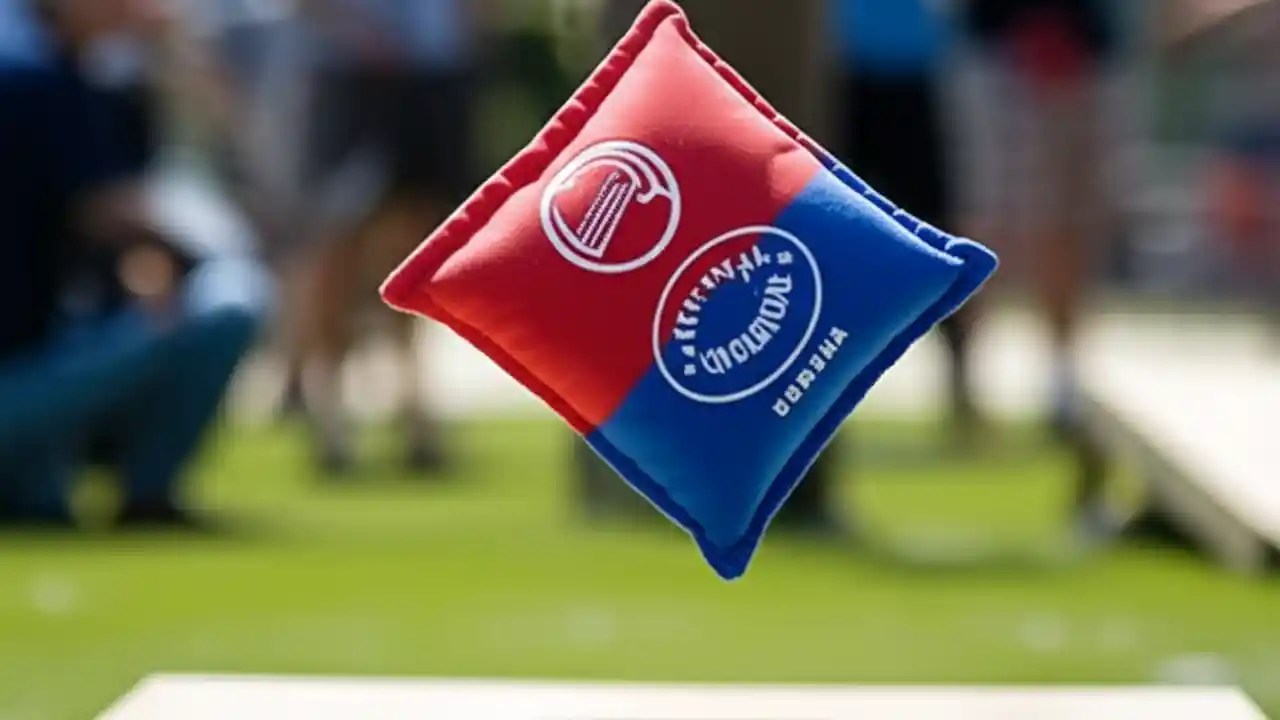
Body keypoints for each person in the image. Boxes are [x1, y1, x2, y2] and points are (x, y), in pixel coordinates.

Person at [0, 0, 270, 527]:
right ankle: (146, 493)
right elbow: (117, 213)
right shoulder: (32, 82)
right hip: (19, 380)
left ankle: (113, 491)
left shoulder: (76, 80)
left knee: (38, 505)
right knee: (232, 297)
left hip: (34, 368)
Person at [286, 0, 481, 474]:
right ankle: (330, 410)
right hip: (354, 80)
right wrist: (363, 34)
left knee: (418, 248)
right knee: (338, 244)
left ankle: (414, 404)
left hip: (432, 79)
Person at [954, 0, 1120, 433]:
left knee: (1066, 224)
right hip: (1002, 52)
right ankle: (966, 375)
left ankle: (1062, 378)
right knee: (993, 220)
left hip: (1083, 50)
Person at [830, 0, 979, 437]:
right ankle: (815, 393)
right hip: (845, 72)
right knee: (834, 242)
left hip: (915, 71)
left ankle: (961, 383)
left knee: (936, 237)